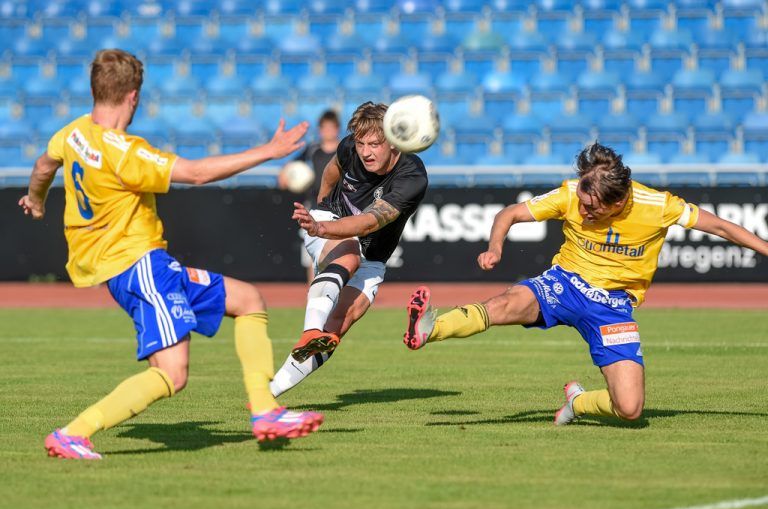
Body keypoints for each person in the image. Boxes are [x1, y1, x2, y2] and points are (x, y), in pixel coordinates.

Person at [18, 49, 323, 459]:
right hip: (140, 267)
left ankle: (266, 411)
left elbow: (42, 166)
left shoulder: (72, 134)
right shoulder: (125, 151)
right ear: (134, 96)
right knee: (171, 375)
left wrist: (36, 202)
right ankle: (74, 432)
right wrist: (267, 152)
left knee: (249, 300)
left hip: (149, 267)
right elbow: (196, 173)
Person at [403, 142, 768, 425]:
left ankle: (578, 401)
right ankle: (429, 327)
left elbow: (721, 226)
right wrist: (494, 248)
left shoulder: (657, 205)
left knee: (630, 409)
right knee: (507, 304)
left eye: (592, 208)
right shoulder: (571, 193)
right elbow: (509, 213)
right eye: (581, 201)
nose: (583, 210)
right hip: (566, 283)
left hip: (613, 306)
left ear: (620, 201)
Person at [269, 102, 428, 397]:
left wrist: (322, 228)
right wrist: (321, 211)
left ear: (393, 142)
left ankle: (268, 393)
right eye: (360, 143)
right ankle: (309, 331)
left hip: (373, 255)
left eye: (375, 144)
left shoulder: (412, 177)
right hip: (330, 223)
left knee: (337, 328)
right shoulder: (348, 149)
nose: (365, 151)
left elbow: (369, 223)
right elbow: (331, 170)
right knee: (349, 255)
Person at [278, 110, 341, 282]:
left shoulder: (345, 150)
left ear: (337, 129)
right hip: (315, 207)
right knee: (312, 256)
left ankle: (338, 294)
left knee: (339, 251)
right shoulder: (313, 150)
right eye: (324, 128)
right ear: (320, 130)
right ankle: (312, 293)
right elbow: (288, 170)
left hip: (340, 208)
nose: (328, 131)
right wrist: (286, 176)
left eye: (331, 127)